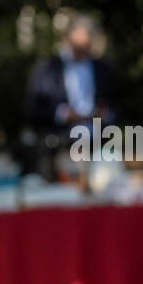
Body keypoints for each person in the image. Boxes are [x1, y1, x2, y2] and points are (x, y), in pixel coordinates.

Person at [22, 12, 118, 180]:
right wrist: (64, 114)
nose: (82, 51)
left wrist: (104, 115)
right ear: (67, 39)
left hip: (98, 149)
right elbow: (32, 109)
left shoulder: (103, 69)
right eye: (78, 46)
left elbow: (116, 105)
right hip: (58, 147)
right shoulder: (46, 69)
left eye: (86, 47)